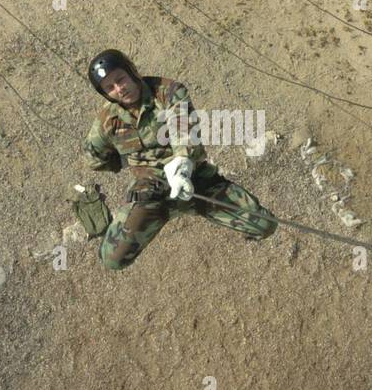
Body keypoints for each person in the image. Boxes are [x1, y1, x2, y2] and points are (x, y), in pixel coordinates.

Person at [83, 49, 278, 271]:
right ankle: (159, 214)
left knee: (264, 225)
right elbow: (94, 158)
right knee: (113, 260)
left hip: (195, 180)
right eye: (110, 87)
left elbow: (183, 128)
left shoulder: (167, 92)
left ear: (131, 71)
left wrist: (182, 163)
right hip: (150, 192)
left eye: (120, 79)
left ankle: (197, 206)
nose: (119, 89)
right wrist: (124, 162)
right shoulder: (108, 120)